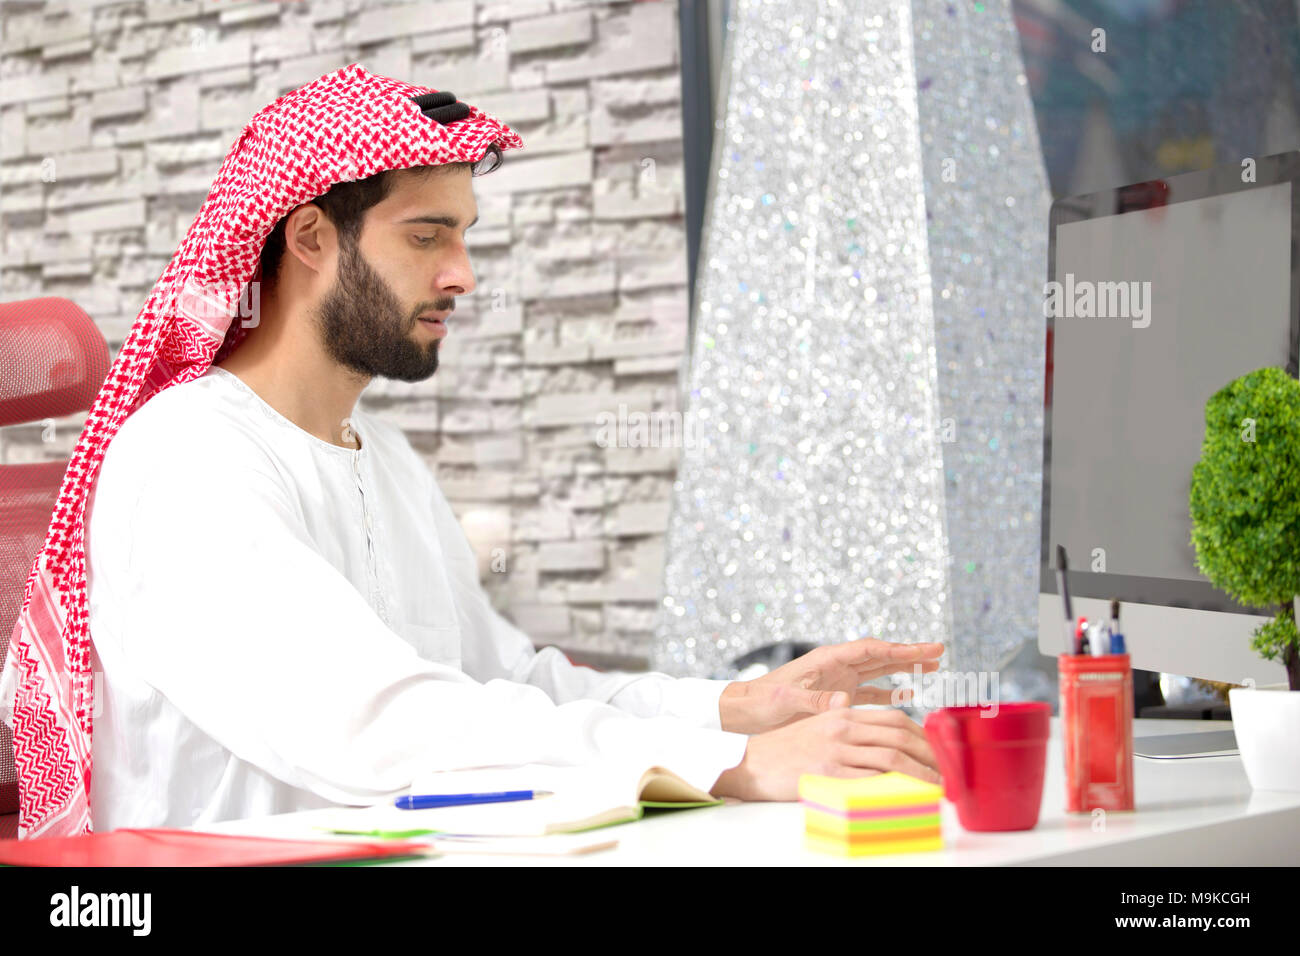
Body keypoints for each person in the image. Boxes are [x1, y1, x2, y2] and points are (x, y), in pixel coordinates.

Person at [0, 65, 942, 837]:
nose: (463, 273)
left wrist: (730, 708)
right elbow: (373, 725)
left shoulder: (387, 456)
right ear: (312, 238)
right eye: (427, 235)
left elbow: (508, 680)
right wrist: (728, 767)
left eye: (463, 234)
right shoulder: (187, 459)